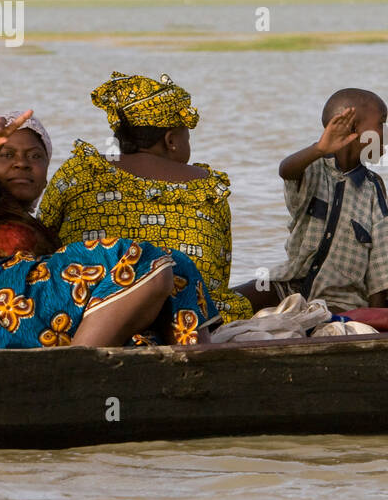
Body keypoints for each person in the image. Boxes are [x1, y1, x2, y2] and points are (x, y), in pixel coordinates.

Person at [0, 111, 218, 349]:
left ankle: (197, 358)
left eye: (35, 157)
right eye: (6, 155)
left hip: (32, 314)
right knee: (138, 258)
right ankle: (73, 372)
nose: (22, 163)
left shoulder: (41, 229)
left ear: (45, 175)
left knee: (176, 266)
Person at [38, 71, 252, 322]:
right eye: (187, 136)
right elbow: (218, 276)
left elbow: (42, 240)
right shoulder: (207, 188)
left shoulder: (80, 172)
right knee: (264, 290)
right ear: (171, 140)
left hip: (85, 314)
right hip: (189, 319)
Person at [236, 88, 388, 313]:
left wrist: (375, 316)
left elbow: (382, 259)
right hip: (291, 284)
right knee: (230, 302)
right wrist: (319, 149)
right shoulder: (313, 168)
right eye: (382, 123)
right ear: (354, 129)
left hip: (339, 299)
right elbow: (287, 171)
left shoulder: (372, 187)